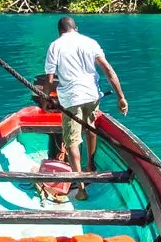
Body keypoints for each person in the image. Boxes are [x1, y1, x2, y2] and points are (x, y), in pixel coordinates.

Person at [43, 16, 128, 182]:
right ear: (76, 28)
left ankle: (80, 187)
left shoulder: (55, 46)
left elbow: (49, 79)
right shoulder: (90, 42)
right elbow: (108, 70)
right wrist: (121, 97)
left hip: (71, 99)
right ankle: (90, 166)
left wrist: (46, 98)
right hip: (92, 95)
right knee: (90, 128)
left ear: (60, 31)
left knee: (72, 141)